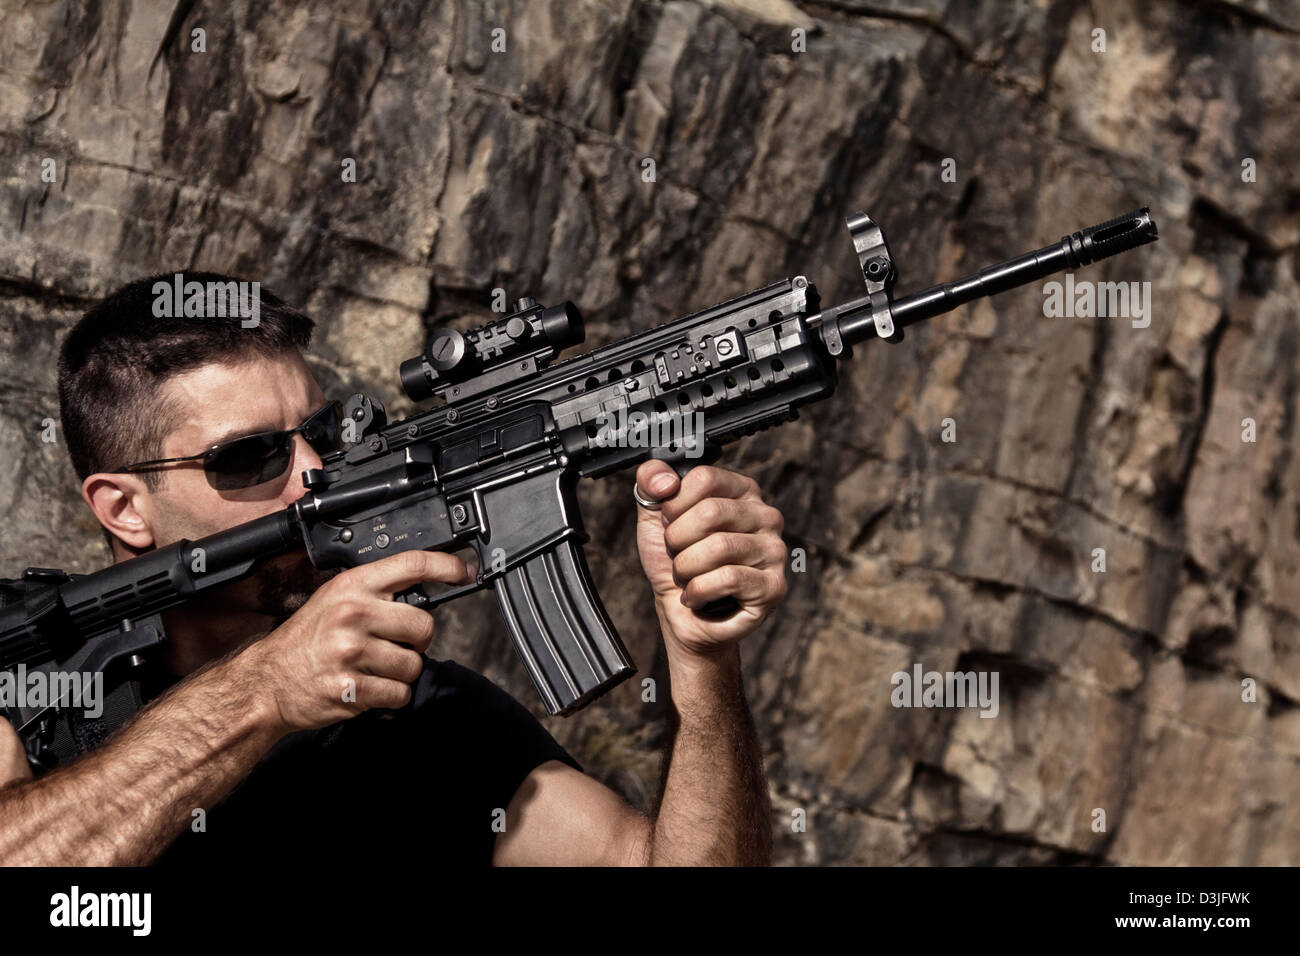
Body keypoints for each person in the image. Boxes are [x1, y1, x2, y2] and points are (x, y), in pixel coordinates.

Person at [0, 274, 789, 865]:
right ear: (123, 508)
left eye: (316, 431)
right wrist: (265, 691)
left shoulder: (417, 722)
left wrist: (703, 661)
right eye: (251, 456)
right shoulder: (25, 667)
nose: (309, 470)